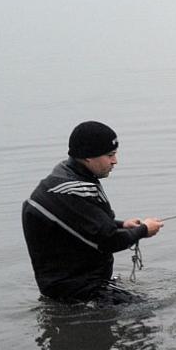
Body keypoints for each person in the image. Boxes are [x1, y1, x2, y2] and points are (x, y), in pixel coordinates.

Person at [22, 121, 163, 303]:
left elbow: (80, 224)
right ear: (88, 156)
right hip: (77, 291)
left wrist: (122, 225)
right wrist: (144, 230)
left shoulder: (62, 178)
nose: (115, 161)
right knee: (153, 309)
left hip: (64, 287)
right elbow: (109, 241)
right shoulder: (74, 189)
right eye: (110, 155)